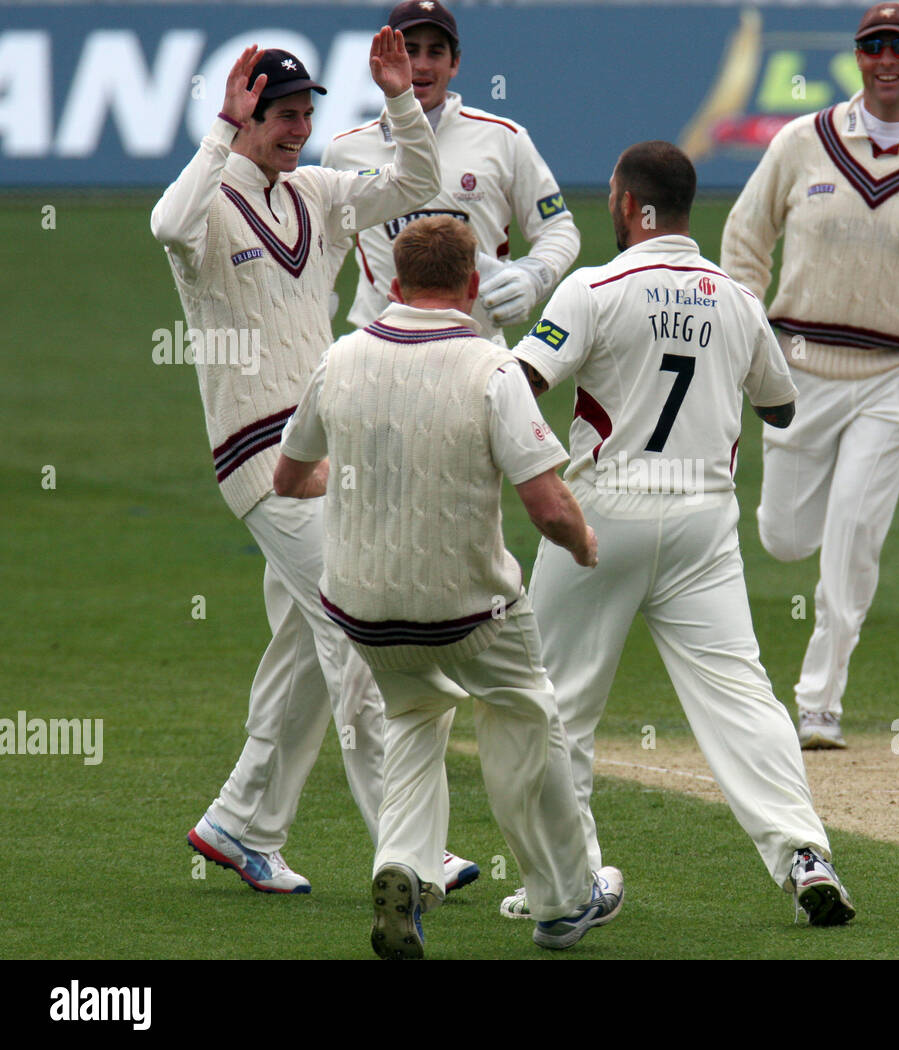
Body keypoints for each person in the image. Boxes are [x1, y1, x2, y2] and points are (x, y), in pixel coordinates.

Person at [152, 33, 475, 895]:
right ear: (248, 115)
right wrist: (220, 129)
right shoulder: (211, 200)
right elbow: (166, 224)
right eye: (284, 115)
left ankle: (239, 822)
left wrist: (402, 99)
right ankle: (412, 848)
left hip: (330, 447)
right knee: (359, 631)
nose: (299, 129)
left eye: (306, 115)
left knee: (304, 640)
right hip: (258, 460)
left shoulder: (322, 194)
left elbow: (418, 185)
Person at [506, 141, 855, 927]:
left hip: (604, 513)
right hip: (703, 520)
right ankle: (805, 855)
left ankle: (570, 882)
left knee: (556, 702)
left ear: (630, 205)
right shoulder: (734, 296)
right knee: (741, 694)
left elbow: (518, 384)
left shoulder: (593, 287)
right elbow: (783, 408)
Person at [273, 215, 622, 956]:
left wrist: (359, 478)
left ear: (392, 284)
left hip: (362, 611)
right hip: (470, 610)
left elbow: (290, 477)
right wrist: (583, 541)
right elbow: (547, 503)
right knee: (529, 720)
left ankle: (402, 863)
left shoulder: (339, 358)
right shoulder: (492, 368)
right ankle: (563, 902)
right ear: (472, 285)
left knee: (414, 718)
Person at [721, 2, 899, 749]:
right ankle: (815, 510)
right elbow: (745, 239)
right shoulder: (802, 143)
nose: (887, 58)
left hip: (897, 377)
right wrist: (749, 327)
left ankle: (819, 704)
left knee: (854, 533)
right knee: (785, 537)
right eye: (873, 45)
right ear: (859, 56)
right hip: (802, 368)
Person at [323, 0, 580, 343]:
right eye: (409, 50)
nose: (422, 65)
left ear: (455, 62)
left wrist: (534, 276)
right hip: (379, 349)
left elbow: (558, 228)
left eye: (436, 52)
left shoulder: (503, 138)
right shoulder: (346, 149)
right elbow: (321, 244)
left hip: (476, 350)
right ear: (384, 60)